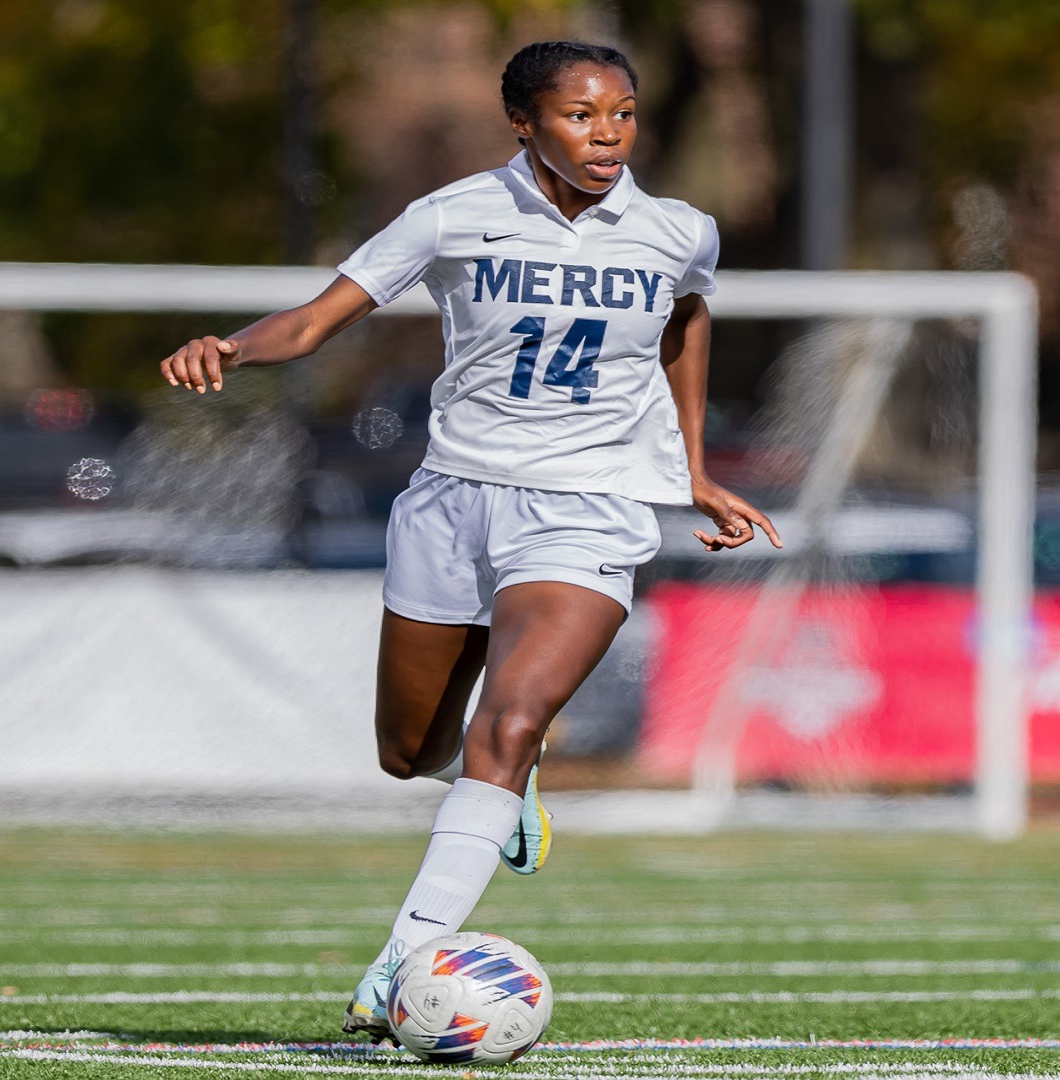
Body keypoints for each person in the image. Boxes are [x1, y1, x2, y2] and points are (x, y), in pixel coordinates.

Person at [158, 40, 779, 1037]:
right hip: (453, 501)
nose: (607, 133)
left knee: (513, 717)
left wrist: (692, 470)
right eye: (581, 116)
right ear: (525, 124)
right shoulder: (453, 214)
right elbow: (319, 322)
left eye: (621, 112)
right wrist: (231, 346)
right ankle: (499, 787)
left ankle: (399, 965)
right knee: (410, 752)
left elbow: (685, 319)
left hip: (589, 506)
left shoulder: (676, 230)